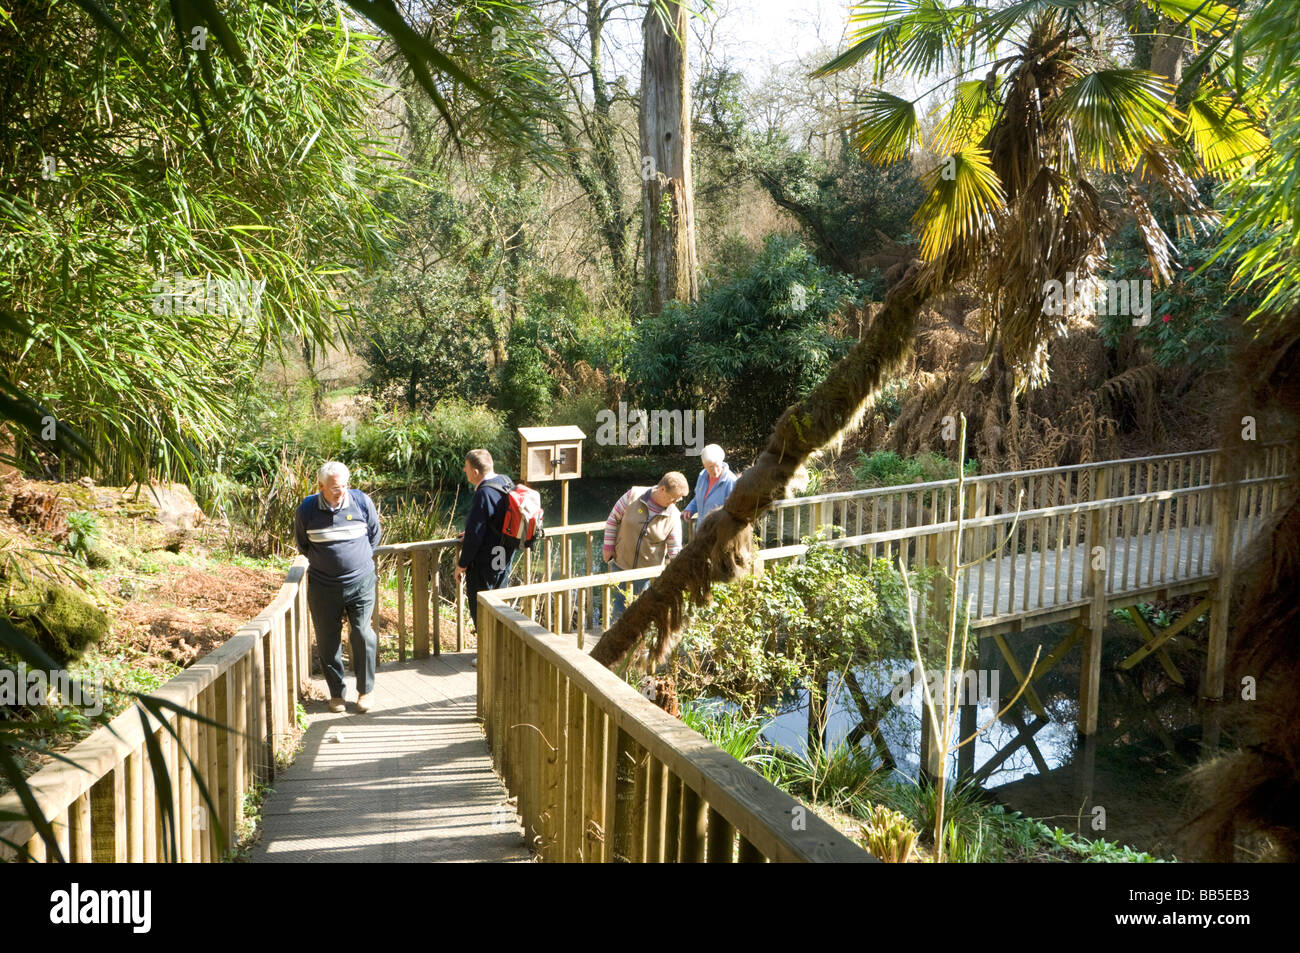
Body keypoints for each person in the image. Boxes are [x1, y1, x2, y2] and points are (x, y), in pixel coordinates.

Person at [294, 461, 382, 714]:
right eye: (334, 487)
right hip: (323, 586)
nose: (340, 491)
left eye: (344, 485)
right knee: (327, 639)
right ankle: (336, 694)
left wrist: (358, 560)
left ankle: (366, 691)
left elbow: (374, 534)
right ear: (321, 486)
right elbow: (303, 543)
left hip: (361, 582)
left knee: (362, 634)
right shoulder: (308, 509)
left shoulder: (361, 501)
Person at [601, 472, 688, 622]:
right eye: (673, 498)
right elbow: (612, 519)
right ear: (661, 490)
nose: (674, 503)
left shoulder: (674, 516)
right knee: (618, 609)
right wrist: (608, 546)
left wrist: (679, 574)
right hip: (620, 564)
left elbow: (674, 549)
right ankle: (616, 644)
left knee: (642, 614)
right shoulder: (633, 495)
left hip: (647, 575)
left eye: (678, 500)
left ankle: (638, 645)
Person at [454, 449, 518, 630]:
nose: (464, 470)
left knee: (481, 605)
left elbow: (475, 533)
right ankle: (498, 649)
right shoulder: (506, 481)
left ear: (475, 472)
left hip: (485, 561)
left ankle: (485, 654)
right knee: (499, 602)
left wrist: (462, 564)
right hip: (504, 555)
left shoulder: (483, 493)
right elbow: (498, 520)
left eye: (466, 467)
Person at [682, 444, 737, 525]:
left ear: (722, 462)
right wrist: (690, 508)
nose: (715, 471)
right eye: (711, 467)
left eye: (717, 466)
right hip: (702, 531)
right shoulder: (702, 476)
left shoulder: (731, 481)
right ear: (704, 465)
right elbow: (699, 498)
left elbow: (735, 511)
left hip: (720, 533)